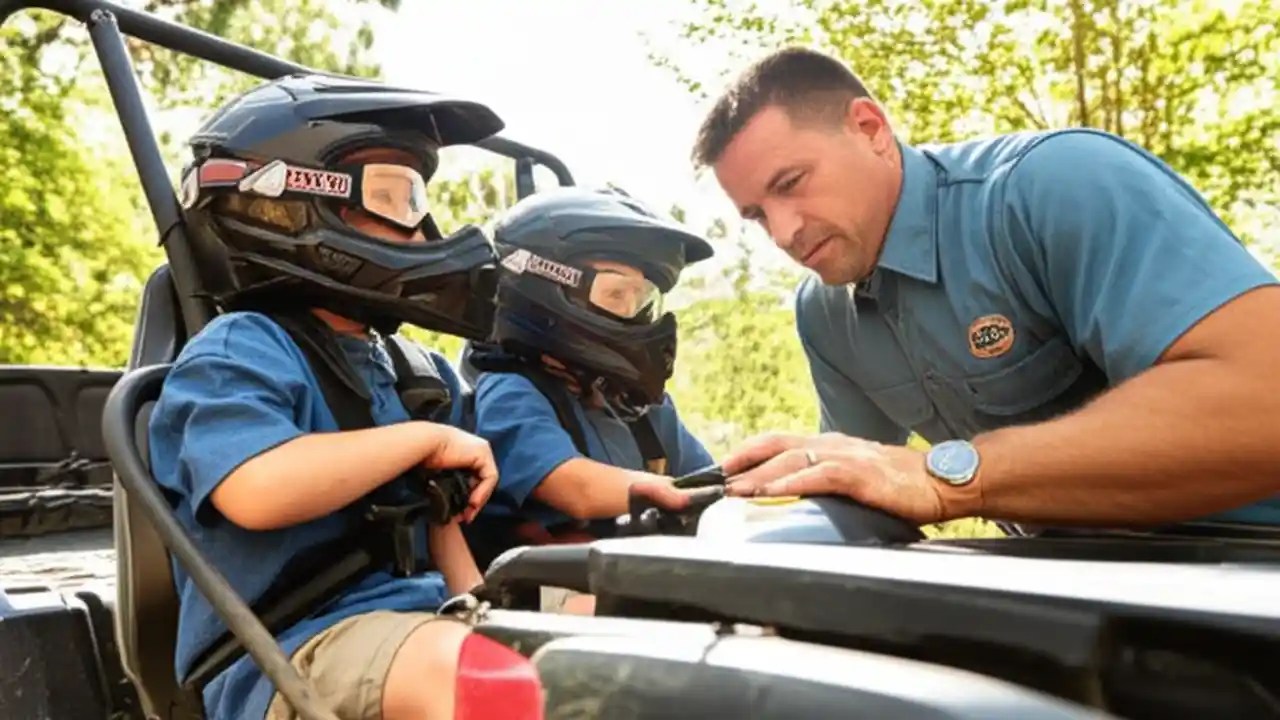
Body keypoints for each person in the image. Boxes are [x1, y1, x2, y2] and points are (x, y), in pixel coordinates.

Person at [690, 47, 1280, 531]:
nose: (785, 232)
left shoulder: (1055, 186)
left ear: (869, 128)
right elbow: (862, 484)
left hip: (1250, 576)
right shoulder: (824, 315)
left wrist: (947, 477)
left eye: (792, 183)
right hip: (1068, 612)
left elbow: (1267, 404)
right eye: (758, 216)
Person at [148, 74, 520, 720]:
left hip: (414, 637)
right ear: (293, 198)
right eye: (395, 198)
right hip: (289, 659)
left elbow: (438, 529)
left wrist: (499, 629)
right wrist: (422, 441)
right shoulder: (240, 348)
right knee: (469, 676)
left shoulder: (407, 371)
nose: (423, 229)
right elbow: (256, 488)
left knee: (549, 667)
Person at [463, 187, 716, 593]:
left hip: (629, 580)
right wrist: (669, 494)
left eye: (641, 299)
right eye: (615, 295)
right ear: (548, 286)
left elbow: (709, 478)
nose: (632, 313)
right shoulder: (510, 391)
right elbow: (574, 488)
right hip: (543, 592)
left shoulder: (641, 409)